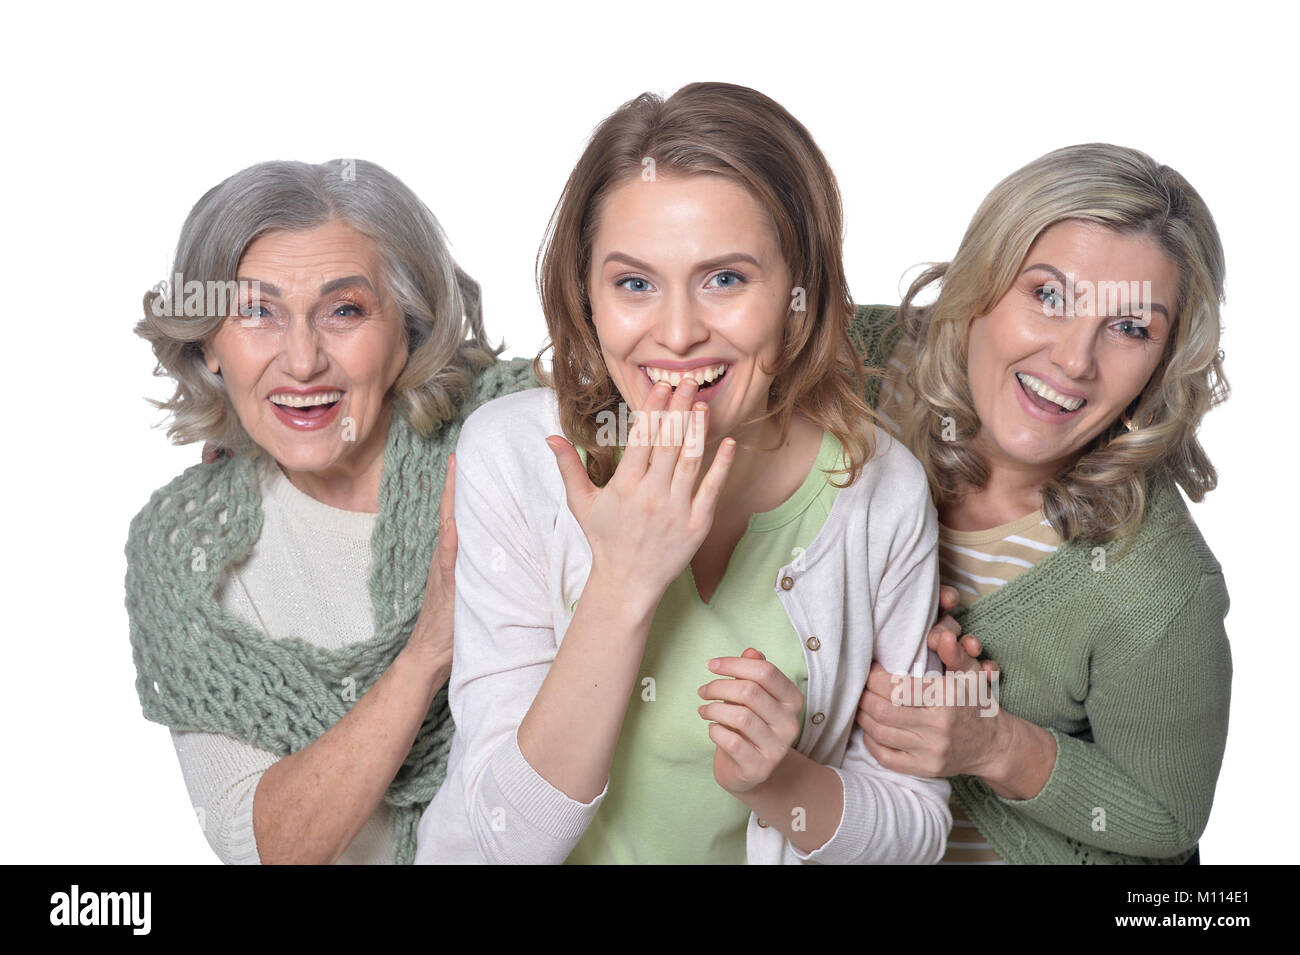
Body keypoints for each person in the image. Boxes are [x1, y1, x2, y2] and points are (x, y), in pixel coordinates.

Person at [415, 82, 951, 864]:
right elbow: (502, 839)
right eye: (634, 283)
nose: (677, 333)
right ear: (587, 300)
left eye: (726, 279)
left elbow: (917, 832)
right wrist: (623, 582)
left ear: (799, 298)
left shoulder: (882, 491)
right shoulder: (513, 458)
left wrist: (781, 782)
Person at [125, 159, 536, 864]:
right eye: (257, 313)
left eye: (345, 310)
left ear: (407, 330)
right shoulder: (186, 556)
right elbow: (261, 847)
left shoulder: (511, 441)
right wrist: (429, 649)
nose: (304, 360)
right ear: (207, 345)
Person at [850, 143, 1231, 864]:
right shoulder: (867, 371)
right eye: (1048, 295)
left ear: (1165, 361)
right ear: (981, 282)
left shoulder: (1155, 577)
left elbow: (1167, 818)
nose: (1074, 359)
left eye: (1129, 328)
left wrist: (993, 742)